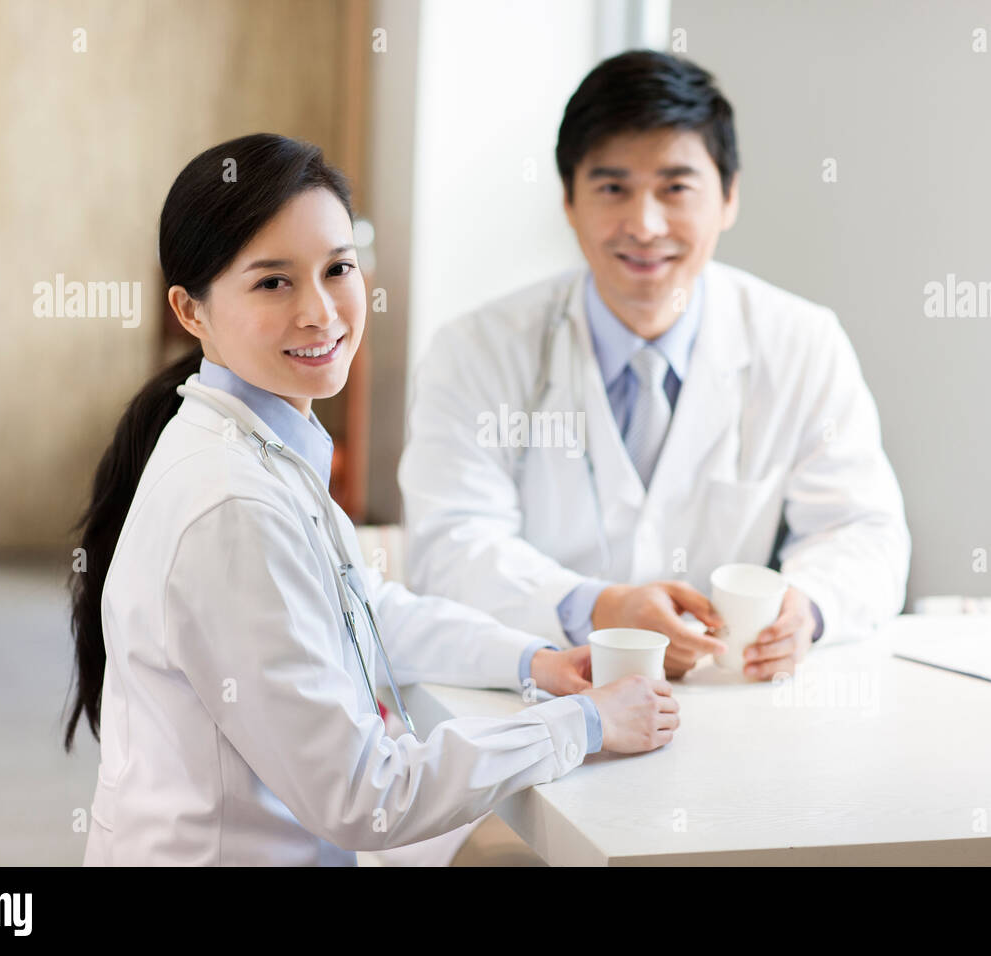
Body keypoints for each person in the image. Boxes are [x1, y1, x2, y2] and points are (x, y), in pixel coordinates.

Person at [64, 133, 678, 866]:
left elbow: (361, 607)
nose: (321, 312)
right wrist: (581, 724)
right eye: (273, 283)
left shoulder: (265, 443)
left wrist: (535, 661)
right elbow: (363, 796)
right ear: (191, 312)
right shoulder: (233, 504)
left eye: (337, 269)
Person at [398, 51, 911, 680]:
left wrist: (810, 607)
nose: (644, 225)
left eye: (675, 188)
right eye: (613, 188)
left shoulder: (802, 343)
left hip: (731, 698)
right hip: (536, 703)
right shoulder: (477, 349)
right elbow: (449, 546)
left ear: (728, 197)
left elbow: (863, 531)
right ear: (568, 200)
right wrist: (600, 609)